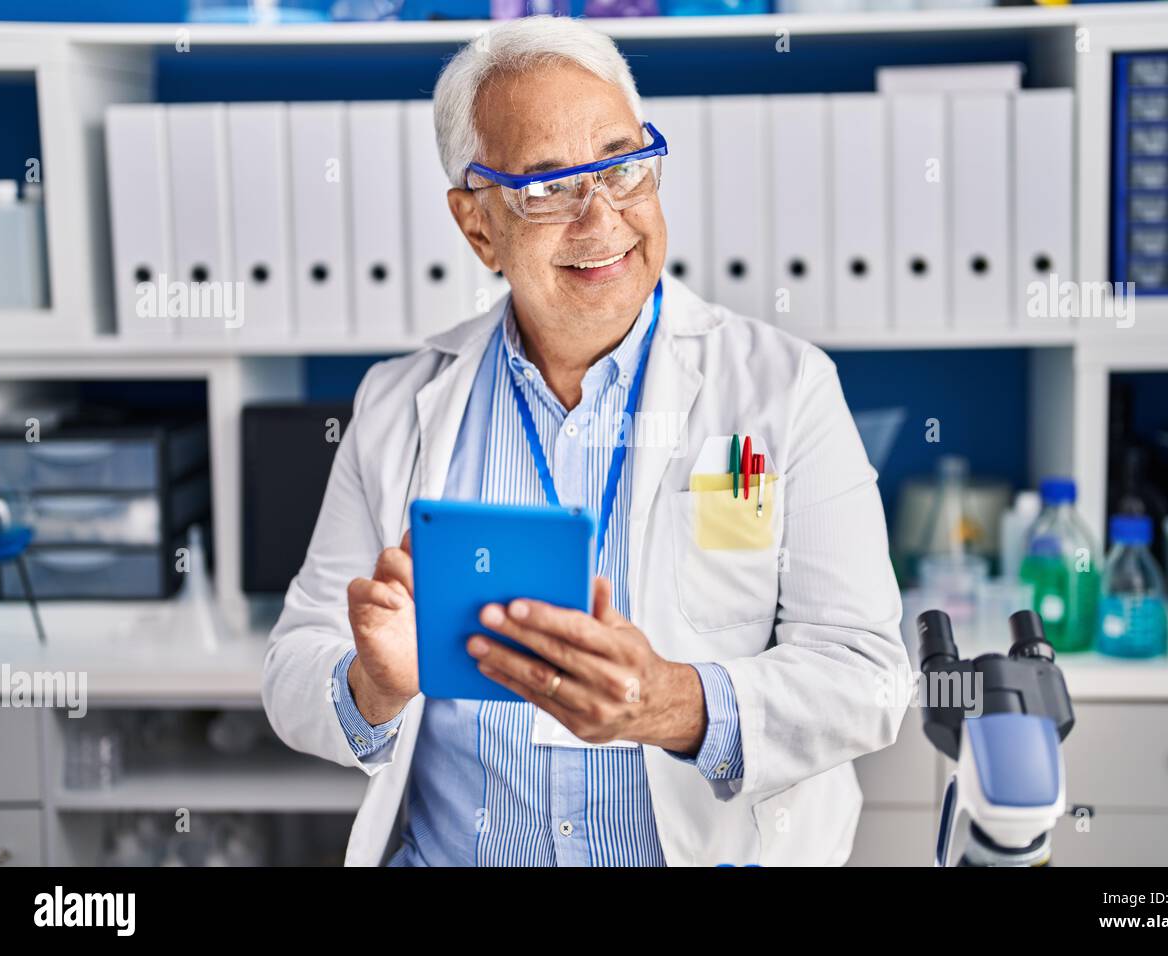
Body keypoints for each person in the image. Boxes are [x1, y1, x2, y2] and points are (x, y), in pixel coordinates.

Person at [262, 14, 907, 866]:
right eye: (547, 186)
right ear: (477, 225)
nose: (602, 218)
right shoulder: (397, 402)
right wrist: (371, 684)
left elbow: (869, 677)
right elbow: (294, 665)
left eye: (623, 165)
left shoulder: (783, 390)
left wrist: (672, 705)